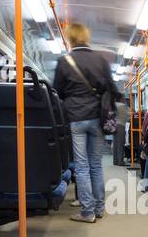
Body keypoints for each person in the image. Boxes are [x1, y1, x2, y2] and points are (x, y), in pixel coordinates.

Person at [52, 22, 121, 224]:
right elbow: (113, 88)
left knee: (81, 166)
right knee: (96, 165)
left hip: (76, 118)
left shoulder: (64, 61)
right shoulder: (100, 60)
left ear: (70, 38)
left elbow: (57, 91)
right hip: (98, 117)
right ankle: (99, 208)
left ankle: (87, 212)